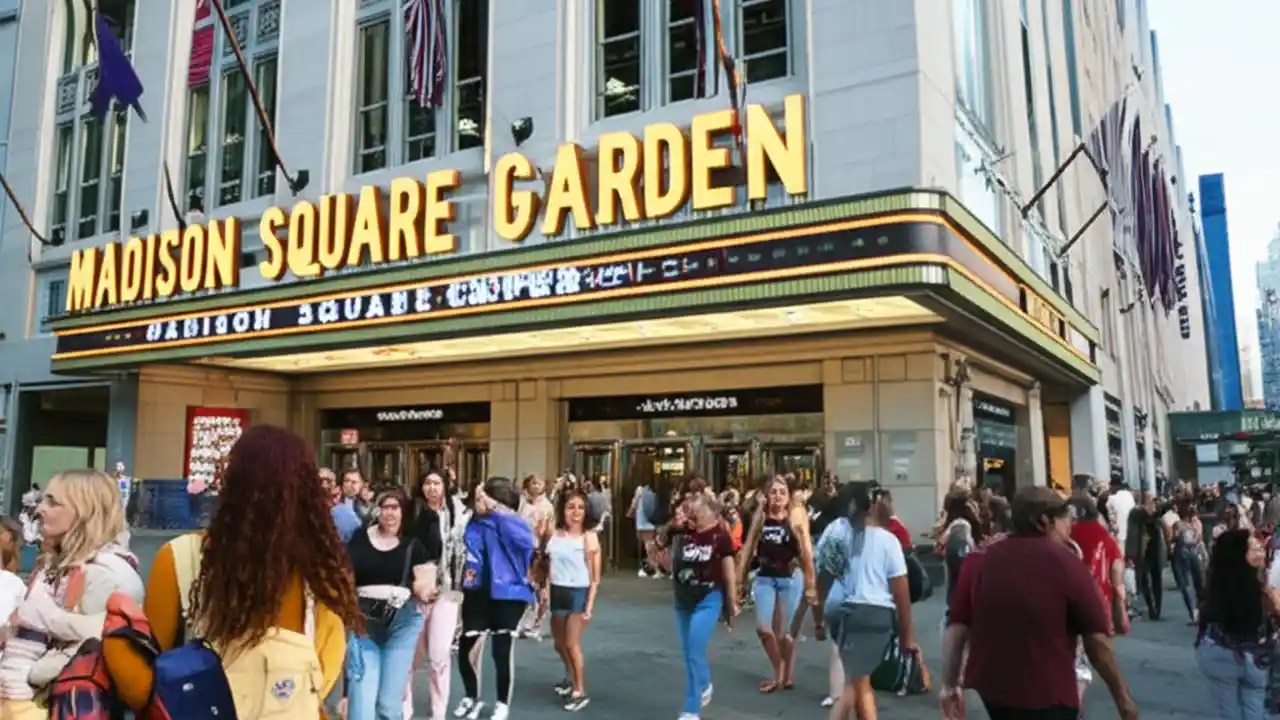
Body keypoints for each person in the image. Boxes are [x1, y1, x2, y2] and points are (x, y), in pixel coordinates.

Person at [104, 426, 362, 719]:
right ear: (308, 493)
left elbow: (153, 684)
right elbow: (325, 675)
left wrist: (115, 643)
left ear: (232, 484)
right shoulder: (321, 572)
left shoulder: (180, 558)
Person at [940, 487, 1137, 720]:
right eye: (1065, 519)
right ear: (1044, 521)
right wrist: (1123, 700)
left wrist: (949, 685)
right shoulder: (1067, 564)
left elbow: (957, 626)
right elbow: (1097, 642)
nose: (1070, 526)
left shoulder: (980, 560)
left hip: (994, 691)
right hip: (1047, 693)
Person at [0, 470, 143, 718]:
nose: (40, 508)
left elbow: (106, 637)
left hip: (55, 706)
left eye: (53, 501)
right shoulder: (51, 565)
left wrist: (34, 670)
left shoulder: (109, 571)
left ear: (86, 511)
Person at [810, 481, 916, 720]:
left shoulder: (838, 535)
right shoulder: (888, 541)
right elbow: (902, 593)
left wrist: (818, 620)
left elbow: (822, 582)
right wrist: (908, 635)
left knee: (856, 683)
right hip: (878, 616)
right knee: (857, 684)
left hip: (848, 614)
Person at [454, 477, 536, 720]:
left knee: (500, 651)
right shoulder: (471, 522)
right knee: (466, 648)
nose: (478, 502)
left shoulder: (513, 522)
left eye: (483, 498)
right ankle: (471, 696)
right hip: (475, 592)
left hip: (508, 594)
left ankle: (502, 703)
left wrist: (497, 512)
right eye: (478, 497)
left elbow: (525, 543)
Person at [346, 488, 431, 720]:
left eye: (396, 508)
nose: (390, 513)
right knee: (362, 701)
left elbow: (424, 580)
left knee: (388, 703)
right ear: (377, 510)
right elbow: (345, 576)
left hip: (401, 622)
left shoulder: (413, 545)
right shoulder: (359, 539)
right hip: (364, 619)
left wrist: (428, 592)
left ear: (404, 512)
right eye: (385, 507)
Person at [737, 475, 816, 694]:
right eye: (774, 492)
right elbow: (748, 547)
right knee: (764, 629)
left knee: (785, 634)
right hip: (765, 578)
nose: (778, 496)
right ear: (766, 495)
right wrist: (738, 580)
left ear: (788, 496)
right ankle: (778, 669)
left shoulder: (795, 518)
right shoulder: (761, 518)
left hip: (790, 578)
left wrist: (811, 583)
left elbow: (806, 553)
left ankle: (787, 675)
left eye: (782, 492)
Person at [669, 492, 739, 720]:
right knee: (689, 653)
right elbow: (665, 560)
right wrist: (669, 529)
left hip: (709, 597)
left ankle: (692, 705)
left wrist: (732, 604)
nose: (692, 505)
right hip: (683, 599)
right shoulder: (684, 532)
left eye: (697, 501)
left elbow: (729, 574)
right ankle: (701, 688)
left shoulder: (720, 536)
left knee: (695, 647)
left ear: (711, 509)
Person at [411, 469, 470, 720]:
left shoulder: (457, 515)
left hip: (447, 591)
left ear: (445, 486)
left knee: (439, 655)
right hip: (415, 592)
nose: (432, 488)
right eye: (427, 483)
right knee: (410, 658)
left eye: (436, 483)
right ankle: (404, 711)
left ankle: (438, 712)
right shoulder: (412, 513)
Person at [1196, 529, 1274, 718]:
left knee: (1227, 712)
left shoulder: (1217, 585)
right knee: (1254, 709)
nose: (1261, 550)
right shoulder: (1259, 589)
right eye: (1253, 548)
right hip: (1256, 657)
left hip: (1221, 653)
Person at [544, 488, 601, 712]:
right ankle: (569, 676)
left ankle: (579, 690)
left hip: (579, 593)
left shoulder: (589, 537)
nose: (575, 512)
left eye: (580, 507)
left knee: (571, 643)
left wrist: (589, 605)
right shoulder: (554, 534)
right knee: (559, 644)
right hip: (558, 591)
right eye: (570, 507)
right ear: (563, 510)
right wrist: (544, 591)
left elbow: (595, 578)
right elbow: (548, 566)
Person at [1172, 499, 1207, 625]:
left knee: (1186, 586)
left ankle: (1194, 614)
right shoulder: (1197, 524)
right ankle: (1200, 612)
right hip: (1195, 554)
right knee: (1198, 584)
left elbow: (1173, 538)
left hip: (1182, 556)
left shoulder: (1179, 525)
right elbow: (1199, 539)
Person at [322, 467, 363, 543]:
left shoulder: (362, 506)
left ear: (361, 485)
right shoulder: (332, 502)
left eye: (354, 482)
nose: (349, 485)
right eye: (346, 481)